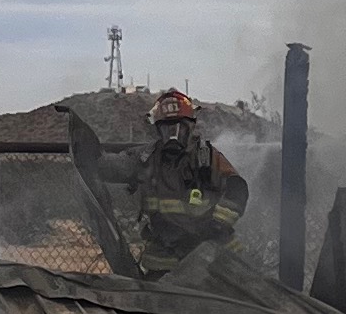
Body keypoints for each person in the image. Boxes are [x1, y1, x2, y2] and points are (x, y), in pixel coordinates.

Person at [94, 89, 247, 277]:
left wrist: (217, 225)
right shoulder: (145, 158)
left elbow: (237, 188)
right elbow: (112, 167)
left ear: (190, 127)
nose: (173, 134)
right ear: (158, 129)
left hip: (211, 254)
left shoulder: (206, 157)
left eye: (179, 127)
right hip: (165, 256)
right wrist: (90, 156)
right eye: (167, 128)